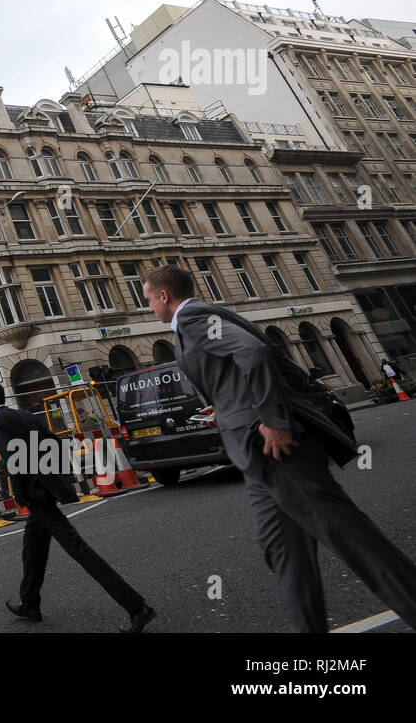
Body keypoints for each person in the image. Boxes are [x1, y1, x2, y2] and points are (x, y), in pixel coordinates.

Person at [144, 264, 416, 632]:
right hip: (255, 456)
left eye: (148, 299)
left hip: (272, 447)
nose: (149, 308)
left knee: (353, 540)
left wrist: (273, 419)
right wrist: (225, 406)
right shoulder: (205, 316)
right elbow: (238, 367)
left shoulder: (192, 318)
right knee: (284, 553)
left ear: (164, 295)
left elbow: (252, 352)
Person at [0, 379, 155, 632]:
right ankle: (30, 602)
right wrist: (55, 480)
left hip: (36, 493)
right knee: (33, 546)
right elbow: (53, 442)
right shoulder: (25, 415)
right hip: (46, 489)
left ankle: (137, 607)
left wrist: (22, 494)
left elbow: (12, 460)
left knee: (77, 548)